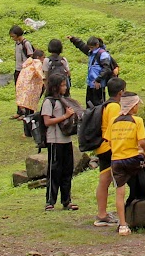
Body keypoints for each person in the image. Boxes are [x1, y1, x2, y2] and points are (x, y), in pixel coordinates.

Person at [107, 92, 145, 236]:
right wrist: (144, 151)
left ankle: (123, 226)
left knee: (120, 193)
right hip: (133, 157)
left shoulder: (113, 121)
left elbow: (109, 141)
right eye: (137, 104)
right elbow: (142, 142)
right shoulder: (137, 121)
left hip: (117, 160)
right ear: (132, 106)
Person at [91, 76, 129, 227]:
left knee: (104, 179)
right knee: (107, 180)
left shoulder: (108, 105)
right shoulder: (114, 107)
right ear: (121, 92)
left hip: (103, 146)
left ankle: (102, 213)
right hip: (109, 147)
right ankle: (102, 214)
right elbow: (116, 128)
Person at [41, 73, 78, 212]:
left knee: (67, 171)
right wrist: (65, 116)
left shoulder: (64, 100)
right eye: (62, 85)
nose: (65, 87)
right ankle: (50, 201)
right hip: (54, 141)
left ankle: (66, 200)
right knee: (54, 171)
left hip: (66, 140)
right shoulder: (49, 102)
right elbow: (47, 121)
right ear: (55, 87)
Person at [69, 35, 116, 107]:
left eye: (92, 47)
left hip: (98, 84)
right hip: (91, 83)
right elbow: (82, 46)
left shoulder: (103, 54)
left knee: (99, 105)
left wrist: (98, 80)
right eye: (89, 47)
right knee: (89, 104)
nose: (90, 49)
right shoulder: (91, 52)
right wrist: (73, 39)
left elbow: (106, 69)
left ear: (97, 45)